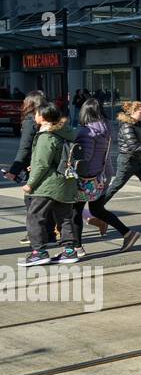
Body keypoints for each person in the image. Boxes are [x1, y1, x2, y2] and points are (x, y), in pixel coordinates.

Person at [71, 99, 139, 254]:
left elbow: (85, 157)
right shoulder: (106, 128)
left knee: (75, 211)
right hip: (103, 175)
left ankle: (77, 247)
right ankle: (128, 233)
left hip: (88, 178)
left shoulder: (86, 132)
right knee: (97, 210)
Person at [21, 104, 82, 266]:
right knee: (64, 217)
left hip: (48, 185)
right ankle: (69, 251)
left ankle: (39, 252)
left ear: (43, 117)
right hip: (65, 182)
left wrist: (30, 183)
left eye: (36, 113)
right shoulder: (63, 132)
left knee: (35, 216)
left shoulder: (46, 136)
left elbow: (42, 164)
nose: (35, 116)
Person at [7, 91, 47, 246]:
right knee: (42, 201)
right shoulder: (46, 118)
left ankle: (36, 236)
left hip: (33, 167)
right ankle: (44, 233)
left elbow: (24, 149)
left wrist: (14, 170)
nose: (22, 103)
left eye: (25, 100)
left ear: (30, 103)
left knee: (31, 202)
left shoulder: (30, 121)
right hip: (43, 165)